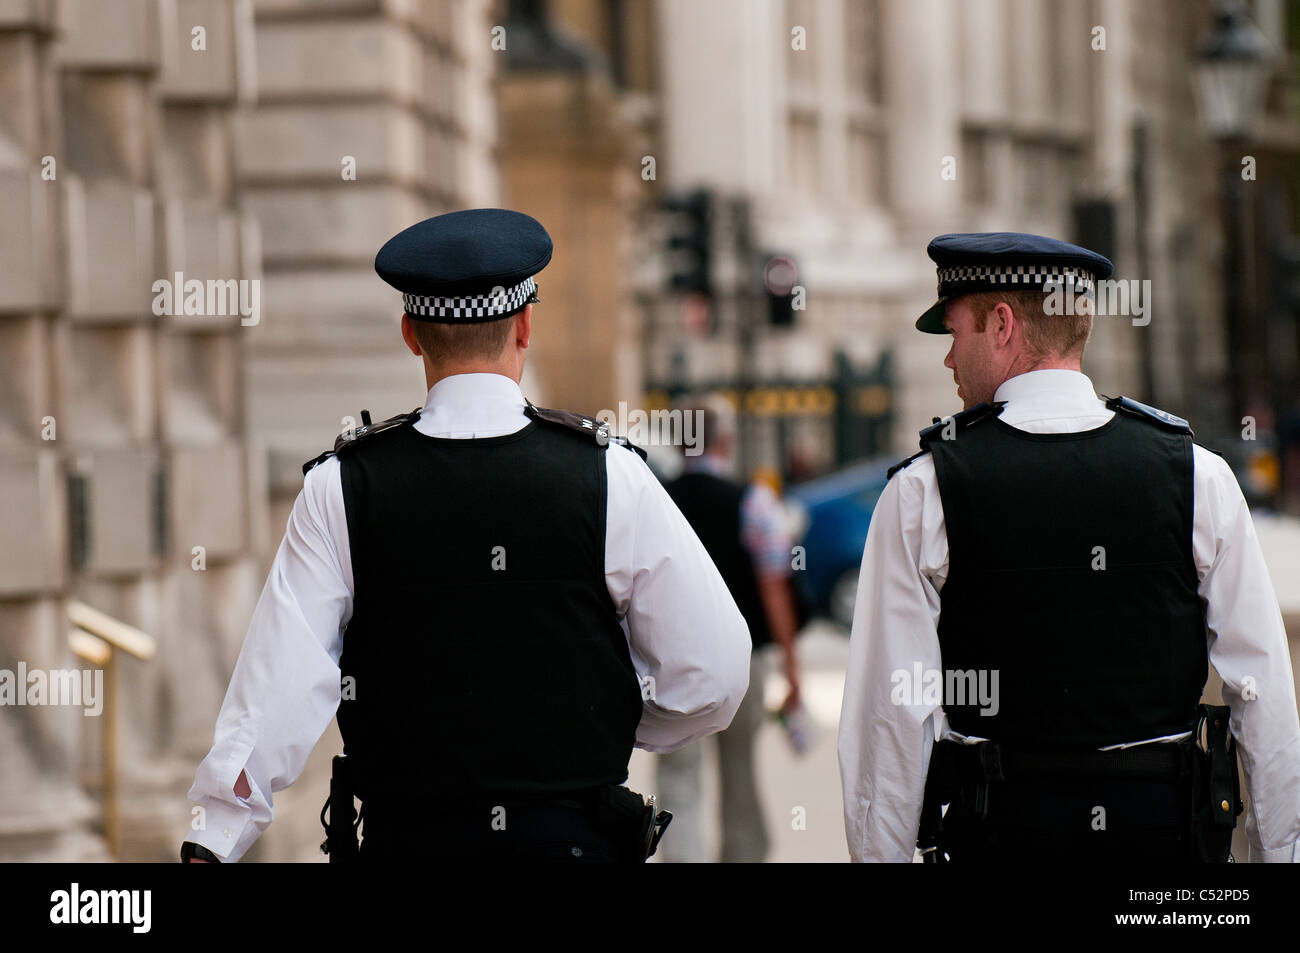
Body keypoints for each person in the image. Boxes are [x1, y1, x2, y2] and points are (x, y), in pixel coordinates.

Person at [181, 208, 751, 863]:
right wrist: (607, 724)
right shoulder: (609, 474)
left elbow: (278, 684)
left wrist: (214, 835)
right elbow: (714, 672)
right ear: (526, 326)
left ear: (410, 334)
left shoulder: (341, 488)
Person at [838, 231, 1300, 863]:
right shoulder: (1198, 476)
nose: (948, 360)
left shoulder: (925, 492)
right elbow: (1263, 689)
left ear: (1001, 325)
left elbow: (890, 723)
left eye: (954, 333)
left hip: (1003, 837)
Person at [657, 394, 802, 863]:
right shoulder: (753, 501)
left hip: (672, 665)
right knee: (740, 772)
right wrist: (792, 669)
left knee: (678, 778)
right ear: (724, 438)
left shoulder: (656, 499)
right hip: (743, 661)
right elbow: (773, 587)